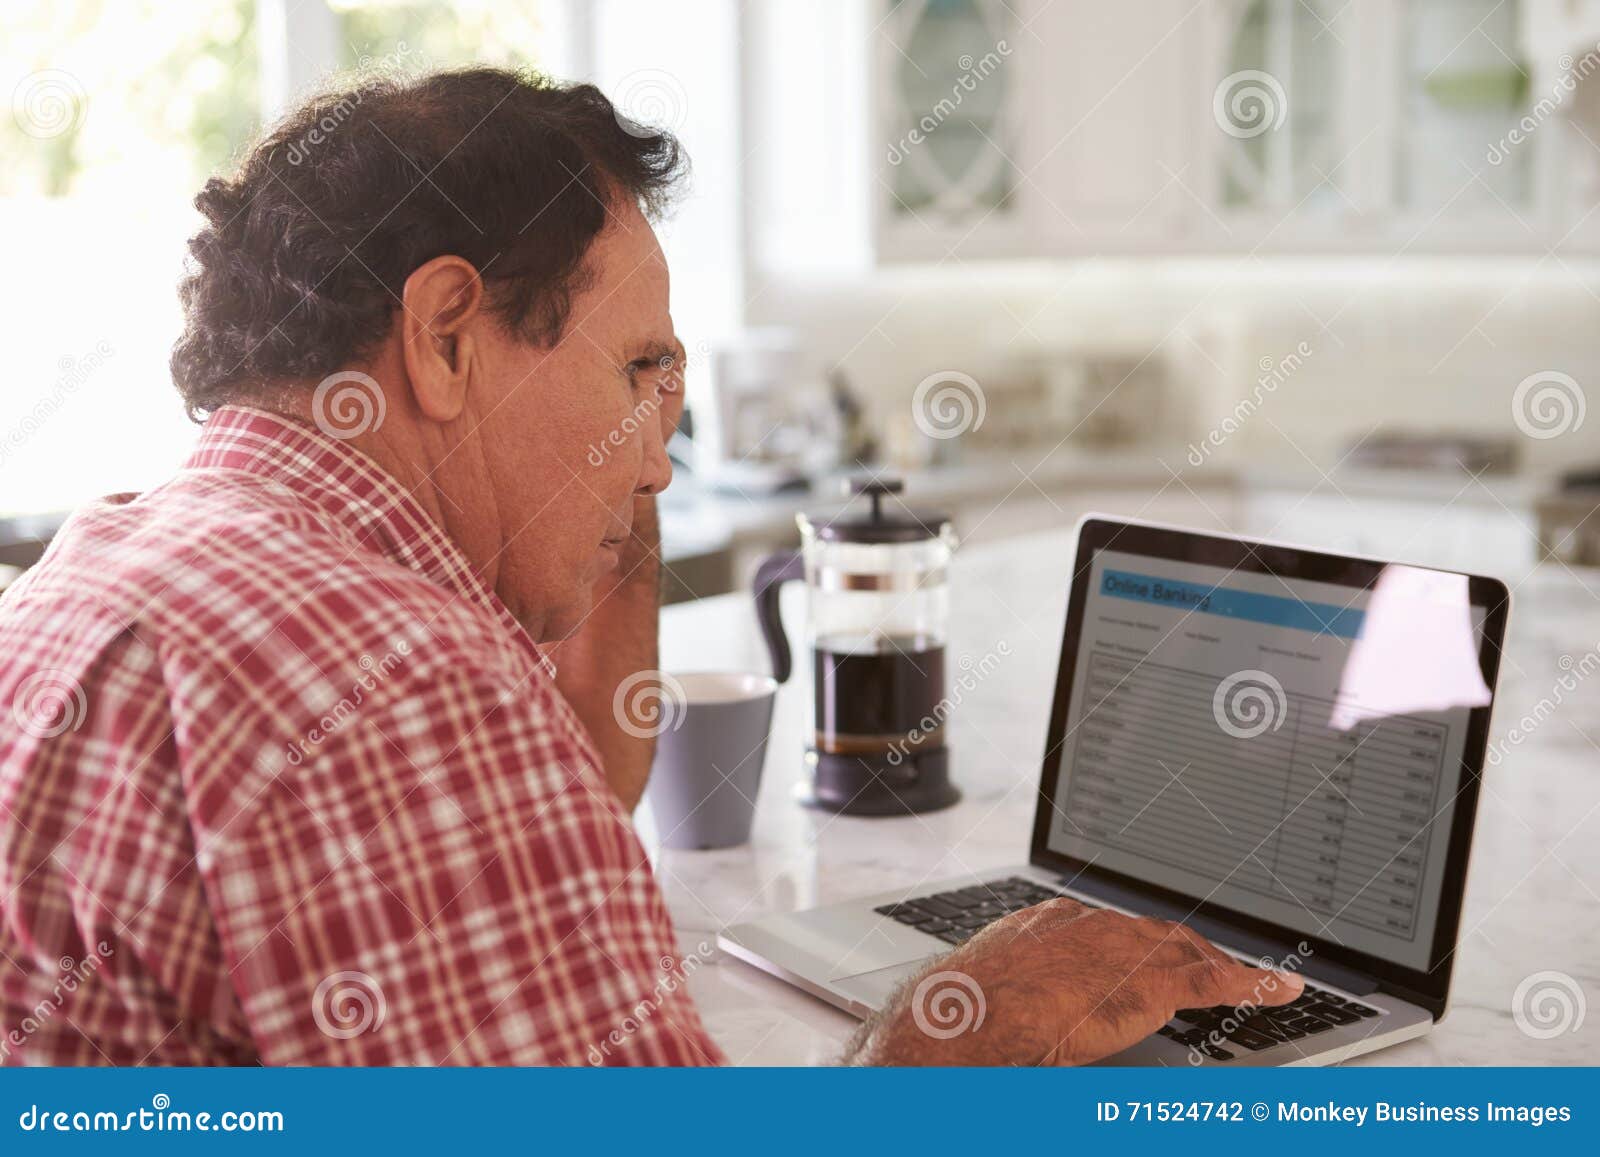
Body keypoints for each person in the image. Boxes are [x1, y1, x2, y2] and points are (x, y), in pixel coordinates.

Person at [0, 67, 1299, 1067]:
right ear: (447, 336)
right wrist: (966, 1029)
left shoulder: (95, 570)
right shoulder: (400, 691)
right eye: (636, 370)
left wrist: (552, 761)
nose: (659, 467)